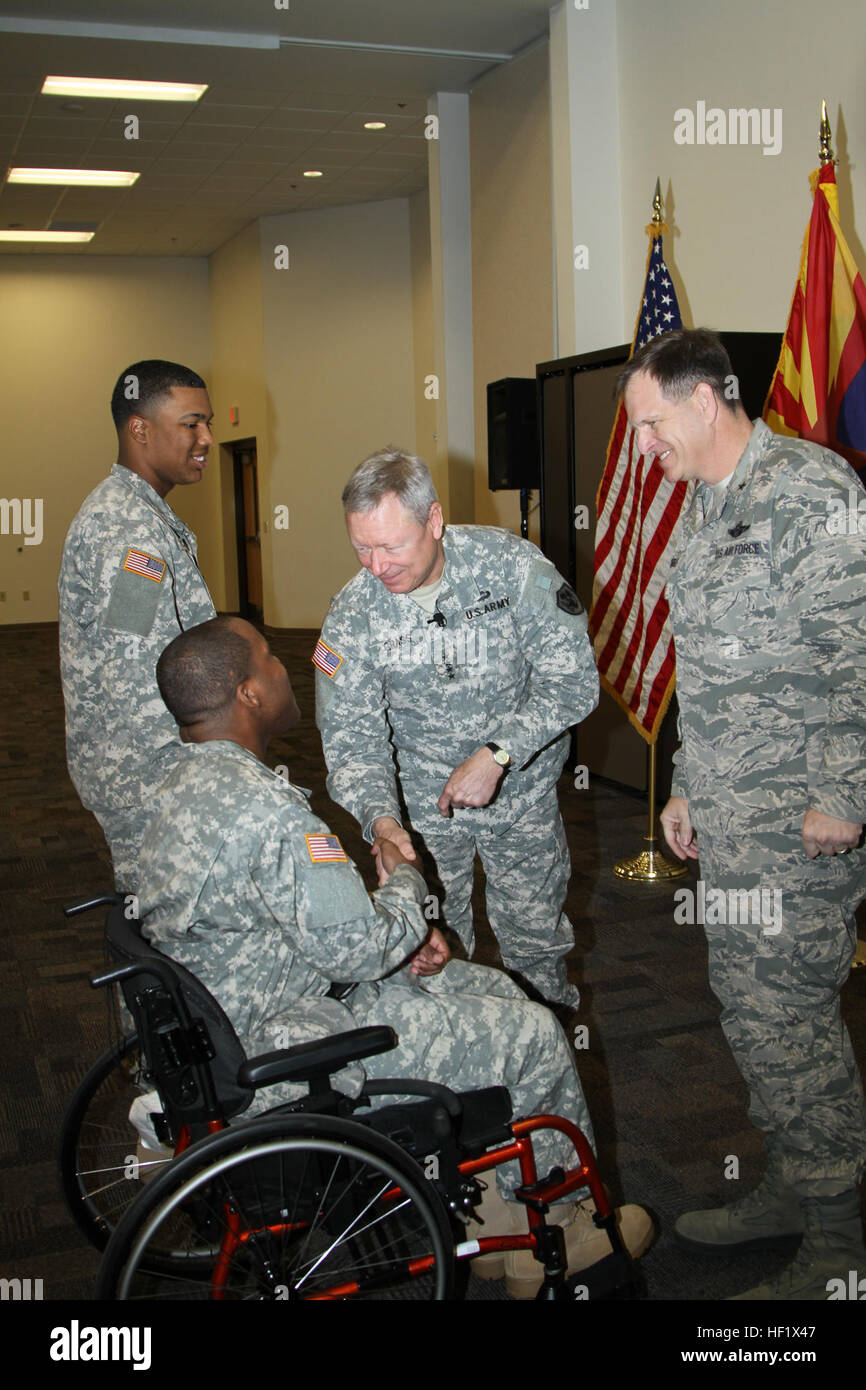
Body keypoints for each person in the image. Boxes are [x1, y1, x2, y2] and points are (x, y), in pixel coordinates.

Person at [136, 616, 652, 1297]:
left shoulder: (173, 787)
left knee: (499, 994)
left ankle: (501, 1208)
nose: (283, 667)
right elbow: (361, 944)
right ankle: (556, 1230)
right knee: (534, 1035)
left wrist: (391, 940)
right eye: (268, 659)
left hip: (246, 1018)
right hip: (290, 1051)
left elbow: (281, 924)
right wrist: (404, 877)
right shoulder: (265, 811)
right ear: (246, 694)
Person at [620, 327, 866, 1300]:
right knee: (749, 1011)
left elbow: (855, 653)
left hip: (800, 821)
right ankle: (787, 1188)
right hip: (730, 817)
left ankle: (839, 1239)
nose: (642, 448)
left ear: (700, 401)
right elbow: (706, 669)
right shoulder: (701, 504)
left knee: (788, 1020)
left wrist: (843, 795)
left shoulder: (809, 492)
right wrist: (684, 784)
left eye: (647, 425)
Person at [314, 448, 599, 1009]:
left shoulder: (511, 567)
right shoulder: (352, 614)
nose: (376, 566)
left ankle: (546, 1074)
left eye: (391, 546)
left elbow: (573, 681)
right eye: (361, 548)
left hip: (521, 799)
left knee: (536, 949)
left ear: (434, 521)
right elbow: (352, 742)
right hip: (421, 816)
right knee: (432, 952)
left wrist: (499, 753)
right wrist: (383, 823)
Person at [58, 360, 216, 892]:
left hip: (151, 765)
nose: (207, 439)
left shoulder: (142, 514)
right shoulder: (129, 531)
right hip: (148, 771)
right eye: (191, 424)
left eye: (208, 423)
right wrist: (207, 772)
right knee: (165, 924)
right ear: (140, 429)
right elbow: (136, 677)